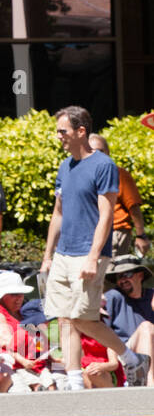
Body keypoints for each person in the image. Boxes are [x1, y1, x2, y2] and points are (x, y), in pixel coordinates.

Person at [41, 106, 140, 391]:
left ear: (80, 131)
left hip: (87, 253)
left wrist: (94, 257)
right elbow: (57, 213)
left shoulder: (103, 165)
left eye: (63, 131)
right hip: (63, 254)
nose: (58, 136)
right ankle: (74, 381)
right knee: (64, 319)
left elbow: (106, 214)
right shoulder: (64, 167)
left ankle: (131, 357)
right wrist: (48, 256)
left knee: (83, 319)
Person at [88, 134, 149, 257]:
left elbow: (133, 206)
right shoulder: (84, 175)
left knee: (110, 273)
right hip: (89, 234)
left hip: (116, 233)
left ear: (108, 153)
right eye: (92, 151)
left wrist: (140, 235)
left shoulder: (119, 174)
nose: (96, 155)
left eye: (101, 151)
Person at [100, 255, 154, 386]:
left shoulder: (151, 295)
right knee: (146, 327)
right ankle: (149, 385)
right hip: (124, 352)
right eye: (119, 277)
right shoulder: (113, 297)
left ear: (140, 275)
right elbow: (103, 334)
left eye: (127, 274)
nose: (122, 280)